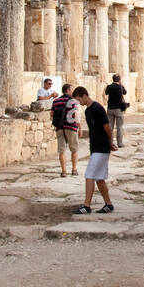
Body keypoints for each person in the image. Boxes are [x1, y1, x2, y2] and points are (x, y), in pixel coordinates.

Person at [71, 86, 115, 214]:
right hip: (95, 147)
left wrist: (110, 143)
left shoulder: (97, 108)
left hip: (102, 147)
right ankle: (108, 204)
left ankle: (86, 206)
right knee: (99, 178)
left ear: (83, 95)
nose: (79, 103)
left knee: (89, 175)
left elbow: (107, 127)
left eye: (78, 100)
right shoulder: (88, 111)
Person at [51, 83, 80, 176]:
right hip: (71, 126)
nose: (73, 92)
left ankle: (64, 171)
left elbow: (51, 113)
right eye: (72, 90)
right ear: (67, 90)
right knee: (74, 149)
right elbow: (76, 115)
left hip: (60, 127)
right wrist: (79, 127)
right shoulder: (73, 101)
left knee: (61, 150)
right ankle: (74, 170)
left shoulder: (56, 101)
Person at [104, 74, 129, 148]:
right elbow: (125, 92)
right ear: (119, 80)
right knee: (119, 127)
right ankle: (120, 143)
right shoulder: (120, 87)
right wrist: (121, 85)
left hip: (110, 109)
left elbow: (106, 92)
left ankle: (109, 143)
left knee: (110, 127)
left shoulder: (109, 86)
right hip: (118, 109)